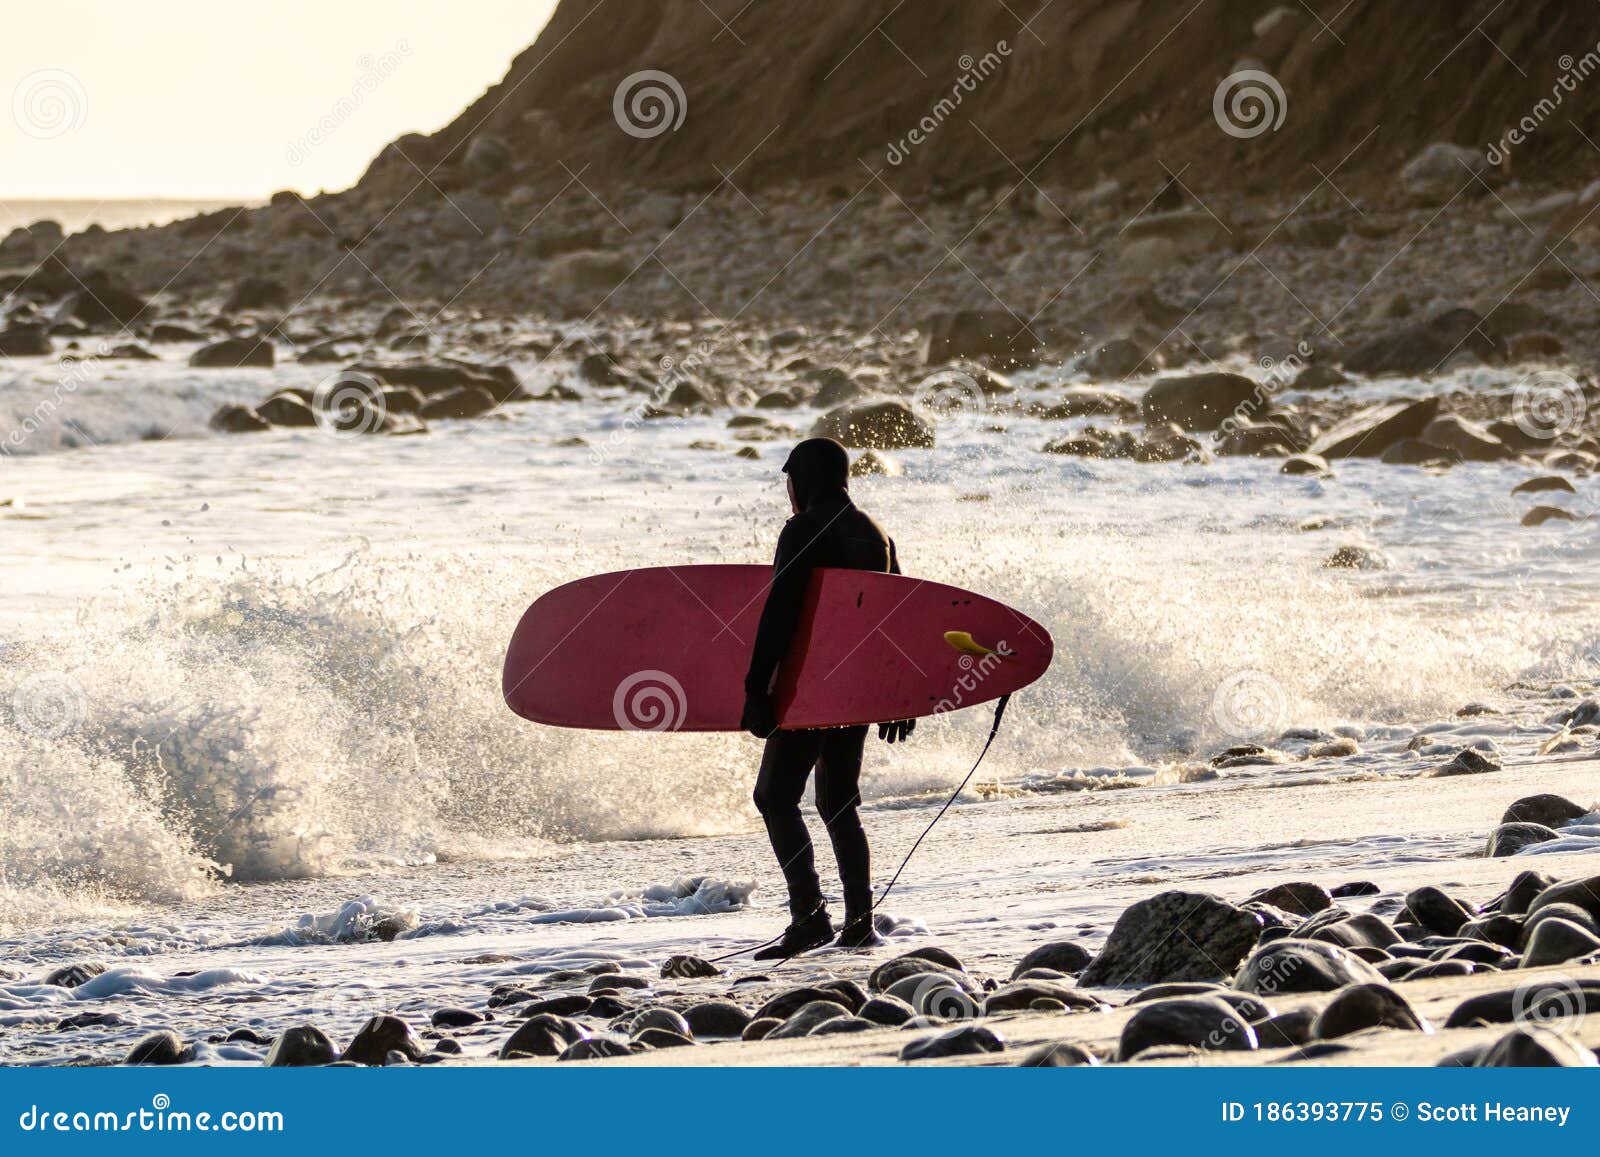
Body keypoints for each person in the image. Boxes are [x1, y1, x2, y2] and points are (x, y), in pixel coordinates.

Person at [741, 437, 915, 959]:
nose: (787, 493)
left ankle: (809, 917)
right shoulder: (876, 533)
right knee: (837, 802)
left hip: (812, 685)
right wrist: (897, 695)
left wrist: (757, 690)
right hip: (856, 687)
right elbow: (898, 616)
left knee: (774, 796)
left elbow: (780, 613)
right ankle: (859, 922)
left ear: (805, 479)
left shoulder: (802, 529)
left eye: (789, 480)